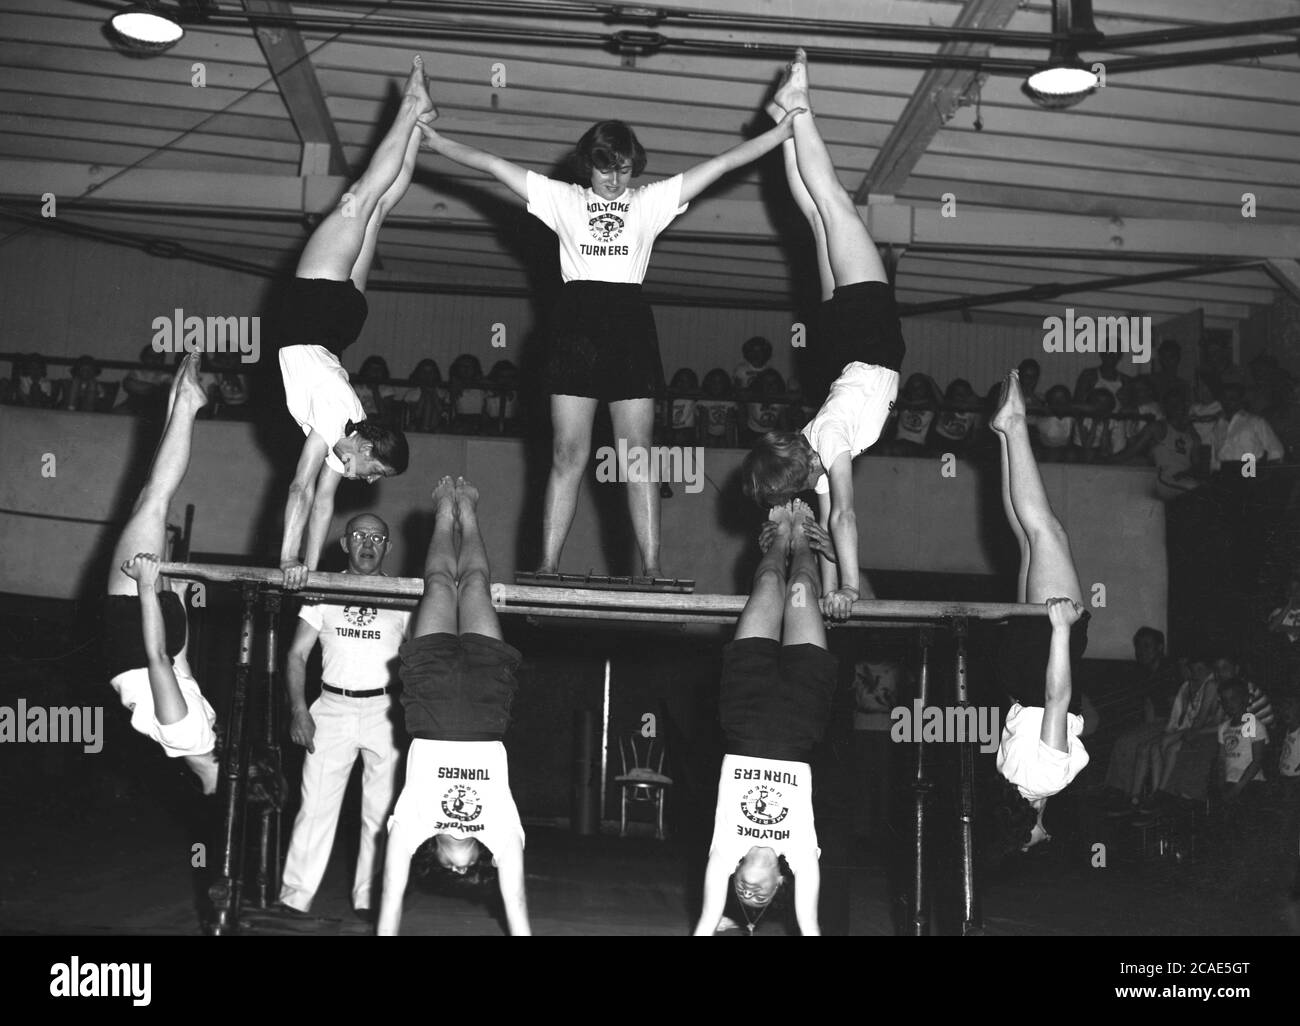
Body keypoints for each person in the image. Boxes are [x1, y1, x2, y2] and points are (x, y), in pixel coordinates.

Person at [419, 103, 801, 579]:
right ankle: (547, 564)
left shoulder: (650, 201)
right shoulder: (563, 199)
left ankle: (653, 568)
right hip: (575, 322)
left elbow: (723, 164)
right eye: (604, 169)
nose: (614, 180)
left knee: (637, 454)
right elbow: (494, 165)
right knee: (568, 452)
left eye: (622, 170)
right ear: (588, 165)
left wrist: (781, 132)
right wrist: (436, 144)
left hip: (628, 324)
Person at [740, 51, 906, 620]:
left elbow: (846, 519)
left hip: (867, 336)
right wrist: (836, 586)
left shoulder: (831, 441)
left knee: (834, 203)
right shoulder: (818, 444)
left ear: (806, 472)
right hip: (843, 341)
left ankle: (800, 108)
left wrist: (853, 589)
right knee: (817, 216)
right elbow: (831, 536)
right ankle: (785, 123)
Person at [276, 57, 423, 590]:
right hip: (314, 313)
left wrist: (307, 572)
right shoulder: (337, 420)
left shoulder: (344, 439)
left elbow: (320, 504)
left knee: (375, 211)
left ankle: (416, 129)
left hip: (341, 325)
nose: (369, 480)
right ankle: (409, 112)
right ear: (365, 448)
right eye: (375, 470)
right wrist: (290, 558)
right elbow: (297, 488)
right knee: (358, 202)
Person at [378, 477, 529, 936]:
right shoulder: (502, 835)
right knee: (478, 583)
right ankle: (471, 513)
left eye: (451, 870)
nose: (461, 870)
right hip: (485, 705)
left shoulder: (412, 826)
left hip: (432, 703)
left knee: (441, 583)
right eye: (468, 870)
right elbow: (518, 912)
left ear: (434, 858)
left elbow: (388, 907)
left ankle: (445, 509)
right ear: (481, 861)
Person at [694, 500, 835, 936]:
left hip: (746, 711)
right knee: (803, 590)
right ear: (781, 883)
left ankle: (776, 542)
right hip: (800, 715)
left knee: (770, 582)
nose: (751, 894)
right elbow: (810, 929)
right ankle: (803, 542)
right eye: (762, 897)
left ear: (732, 879)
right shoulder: (801, 853)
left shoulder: (724, 849)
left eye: (742, 894)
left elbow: (704, 926)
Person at [277, 514, 410, 920]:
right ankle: (293, 900)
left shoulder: (404, 596)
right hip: (330, 711)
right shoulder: (320, 591)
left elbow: (422, 660)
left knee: (381, 813)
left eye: (376, 537)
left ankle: (371, 900)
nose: (367, 543)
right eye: (359, 535)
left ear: (387, 547)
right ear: (344, 544)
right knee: (314, 808)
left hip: (384, 714)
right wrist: (300, 710)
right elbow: (296, 655)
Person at [104, 354, 219, 793]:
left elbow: (178, 661)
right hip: (137, 622)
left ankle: (179, 400)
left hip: (154, 621)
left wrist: (178, 601)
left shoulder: (203, 732)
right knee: (155, 498)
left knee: (149, 499)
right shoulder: (187, 738)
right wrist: (151, 589)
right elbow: (157, 658)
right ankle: (187, 403)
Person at [987, 369, 1090, 852]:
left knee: (1049, 534)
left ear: (1028, 828)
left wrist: (1061, 632)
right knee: (1030, 540)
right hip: (1016, 671)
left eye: (1032, 843)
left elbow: (1057, 698)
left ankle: (1015, 426)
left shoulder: (1045, 781)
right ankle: (1008, 434)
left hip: (1041, 661)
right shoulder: (1009, 777)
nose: (1041, 839)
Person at [1210, 380, 1285, 472]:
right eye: (1224, 398)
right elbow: (1215, 458)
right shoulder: (1218, 426)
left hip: (1249, 470)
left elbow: (1276, 451)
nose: (1227, 402)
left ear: (1241, 400)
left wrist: (1265, 475)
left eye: (1232, 398)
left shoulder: (1256, 422)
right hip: (1225, 473)